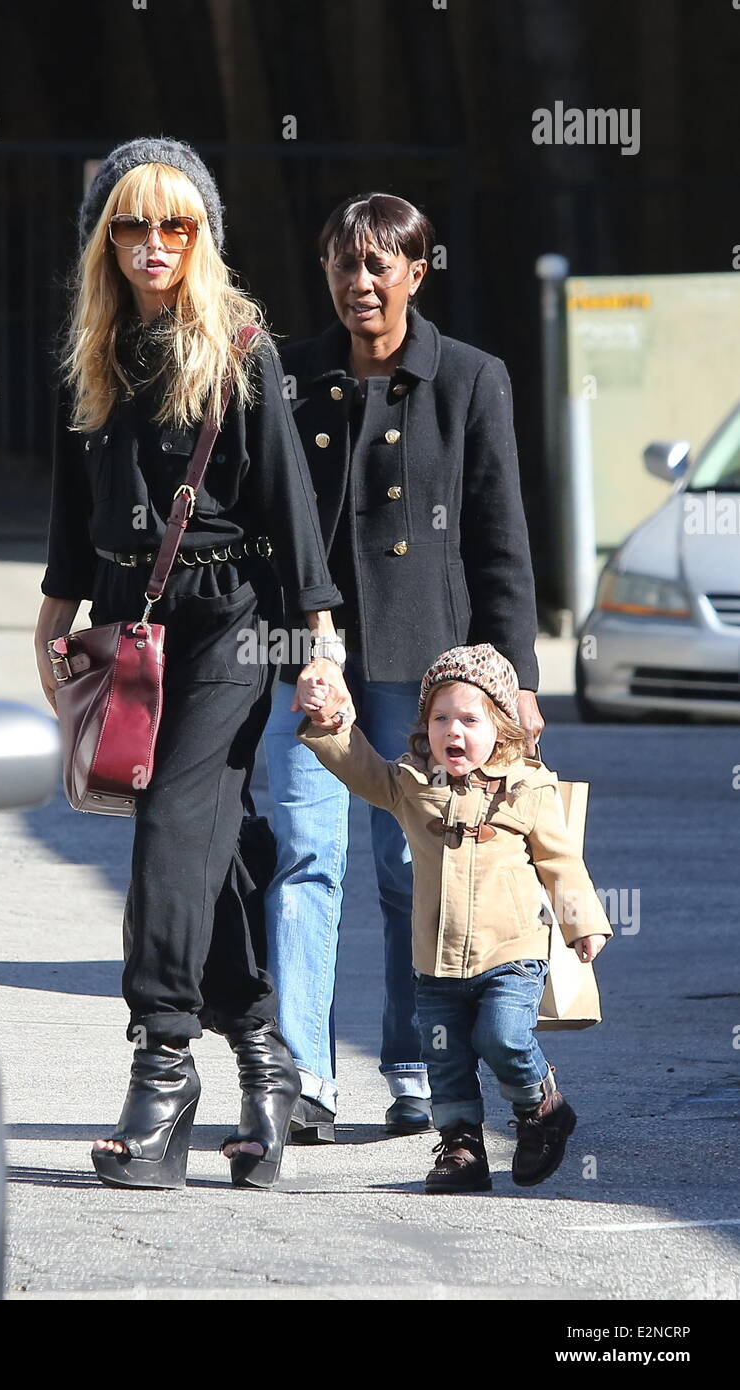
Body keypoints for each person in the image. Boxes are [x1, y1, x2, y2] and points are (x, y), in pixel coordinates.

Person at [33, 137, 343, 1191]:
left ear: (202, 234)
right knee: (207, 846)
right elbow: (73, 508)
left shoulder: (242, 347)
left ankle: (161, 1065)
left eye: (176, 225)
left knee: (173, 823)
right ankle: (264, 1054)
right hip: (127, 619)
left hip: (230, 624)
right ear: (104, 240)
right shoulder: (95, 350)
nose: (152, 244)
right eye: (131, 224)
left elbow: (293, 515)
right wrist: (53, 617)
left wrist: (318, 648)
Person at [263, 193, 545, 1142]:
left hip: (427, 674)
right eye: (344, 264)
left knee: (405, 870)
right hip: (311, 664)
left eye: (380, 264)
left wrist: (517, 680)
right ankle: (303, 1076)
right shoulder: (288, 375)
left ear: (418, 274)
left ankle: (413, 1061)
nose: (360, 282)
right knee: (305, 861)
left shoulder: (471, 378)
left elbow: (500, 542)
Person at [294, 642, 612, 1192]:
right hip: (435, 962)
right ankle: (462, 1148)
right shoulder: (411, 783)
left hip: (511, 953)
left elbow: (561, 859)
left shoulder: (529, 786)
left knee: (502, 1036)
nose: (453, 732)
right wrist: (330, 721)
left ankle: (541, 1108)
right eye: (440, 719)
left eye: (470, 719)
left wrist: (581, 922)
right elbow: (360, 768)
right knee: (444, 1058)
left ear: (503, 728)